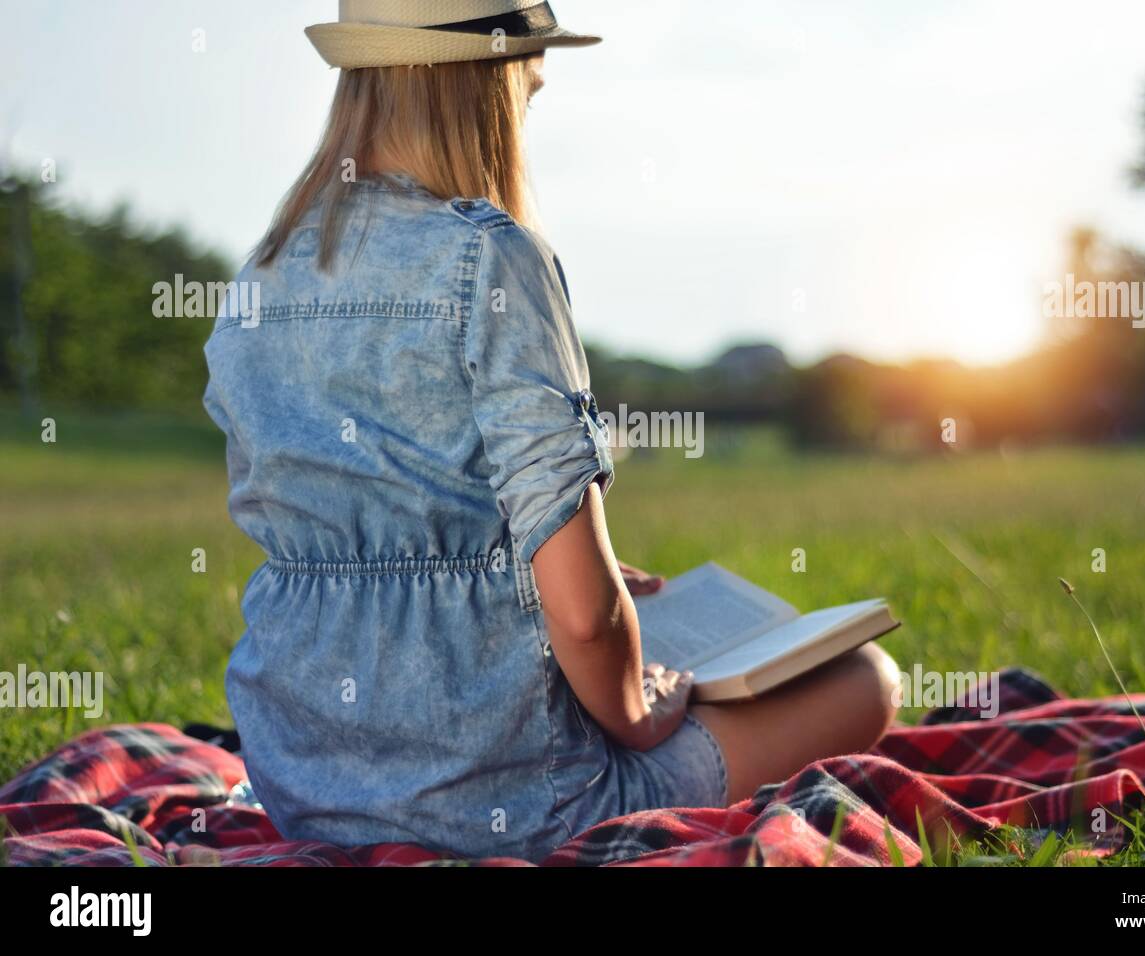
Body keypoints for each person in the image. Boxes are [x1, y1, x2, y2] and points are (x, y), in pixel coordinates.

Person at [203, 0, 900, 862]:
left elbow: (355, 527)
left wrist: (522, 579)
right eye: (526, 96)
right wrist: (641, 712)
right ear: (488, 90)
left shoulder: (257, 278)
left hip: (304, 789)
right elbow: (581, 619)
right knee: (864, 679)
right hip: (516, 800)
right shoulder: (491, 258)